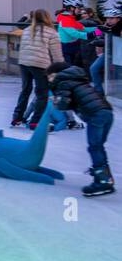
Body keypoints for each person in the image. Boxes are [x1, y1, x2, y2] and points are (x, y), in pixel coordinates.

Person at [49, 61, 115, 197]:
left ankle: (103, 181)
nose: (49, 80)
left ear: (56, 74)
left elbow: (62, 104)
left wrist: (55, 100)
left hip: (96, 115)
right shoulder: (77, 79)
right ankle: (105, 178)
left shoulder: (63, 82)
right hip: (107, 112)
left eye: (49, 76)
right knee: (98, 147)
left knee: (94, 147)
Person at [12, 8, 63, 128]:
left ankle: (17, 117)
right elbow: (57, 56)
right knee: (42, 93)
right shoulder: (52, 33)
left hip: (24, 63)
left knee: (25, 90)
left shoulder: (27, 30)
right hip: (40, 65)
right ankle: (35, 121)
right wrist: (60, 69)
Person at [57, 0, 88, 66]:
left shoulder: (71, 19)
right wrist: (94, 34)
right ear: (71, 8)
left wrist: (100, 30)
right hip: (66, 51)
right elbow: (76, 34)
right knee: (69, 71)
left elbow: (84, 29)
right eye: (78, 8)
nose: (80, 10)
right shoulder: (65, 20)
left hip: (73, 49)